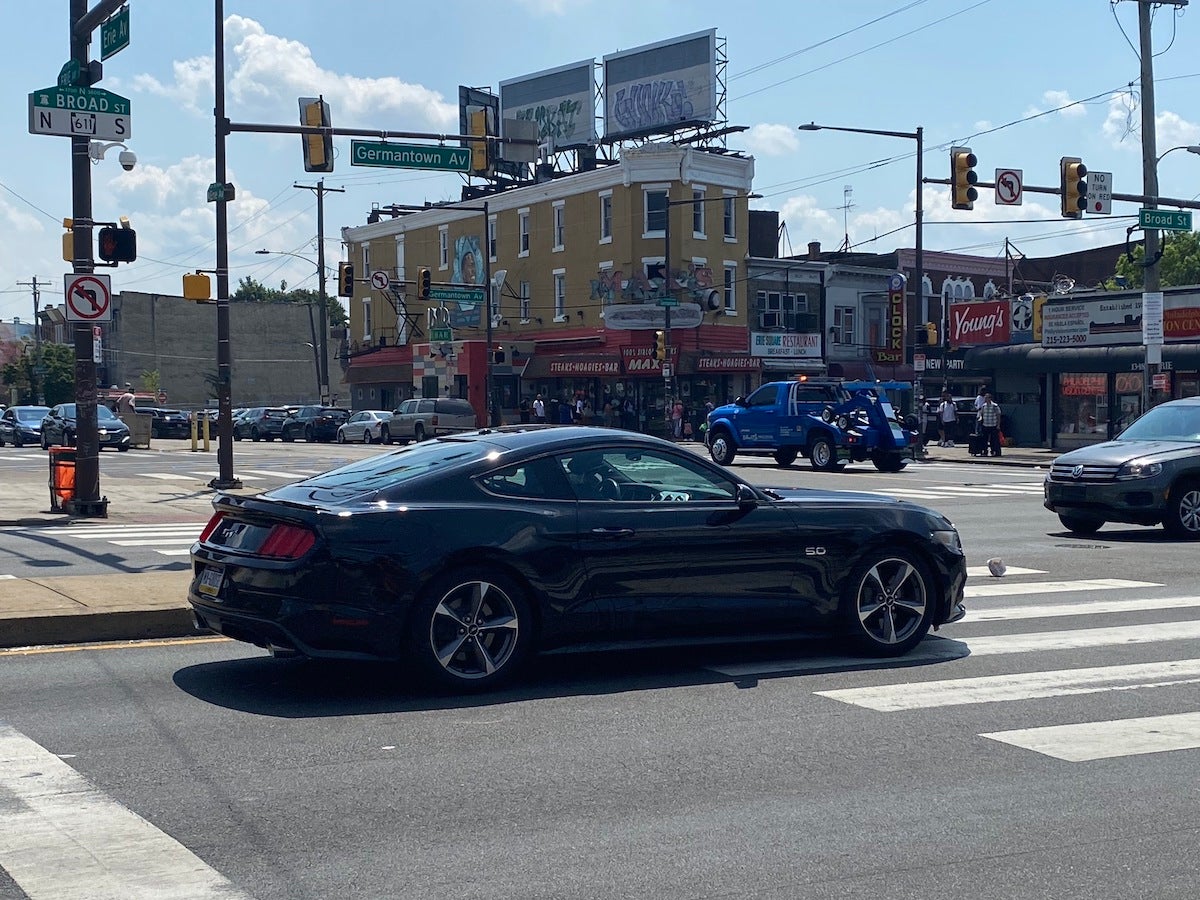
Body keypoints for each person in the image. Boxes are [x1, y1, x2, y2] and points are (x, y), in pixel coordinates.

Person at [977, 392, 1003, 456]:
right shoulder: (983, 406)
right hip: (985, 425)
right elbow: (981, 414)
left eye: (987, 397)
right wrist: (980, 419)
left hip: (993, 425)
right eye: (985, 398)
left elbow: (998, 415)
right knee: (984, 439)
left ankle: (995, 451)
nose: (986, 399)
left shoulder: (995, 406)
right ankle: (984, 451)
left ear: (990, 398)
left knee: (994, 440)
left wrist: (998, 425)